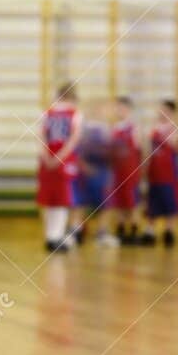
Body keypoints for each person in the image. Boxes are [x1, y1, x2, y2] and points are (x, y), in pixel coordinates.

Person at [36, 83, 82, 252]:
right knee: (63, 200)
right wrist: (60, 158)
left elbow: (40, 137)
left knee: (49, 199)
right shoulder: (74, 114)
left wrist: (46, 157)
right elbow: (74, 139)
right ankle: (57, 236)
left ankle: (50, 236)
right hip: (64, 159)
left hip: (46, 158)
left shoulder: (47, 113)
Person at [74, 100, 116, 247]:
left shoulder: (108, 129)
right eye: (96, 108)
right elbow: (77, 150)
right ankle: (77, 231)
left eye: (102, 109)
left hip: (103, 171)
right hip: (86, 170)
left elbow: (113, 152)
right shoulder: (83, 128)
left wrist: (110, 170)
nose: (99, 111)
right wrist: (83, 166)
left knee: (105, 203)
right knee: (81, 202)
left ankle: (102, 232)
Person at [146, 100, 178, 247]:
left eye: (166, 111)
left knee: (170, 201)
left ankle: (169, 230)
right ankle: (150, 230)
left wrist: (173, 140)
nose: (162, 113)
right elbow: (148, 150)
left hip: (169, 172)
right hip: (154, 171)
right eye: (161, 110)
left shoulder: (175, 129)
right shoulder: (153, 129)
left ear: (171, 113)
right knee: (153, 200)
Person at [108, 96, 143, 245]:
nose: (119, 110)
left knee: (132, 201)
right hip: (117, 171)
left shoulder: (134, 128)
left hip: (131, 170)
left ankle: (134, 229)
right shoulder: (114, 128)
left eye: (122, 107)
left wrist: (141, 171)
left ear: (128, 109)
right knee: (119, 201)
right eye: (117, 107)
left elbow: (141, 149)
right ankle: (121, 228)